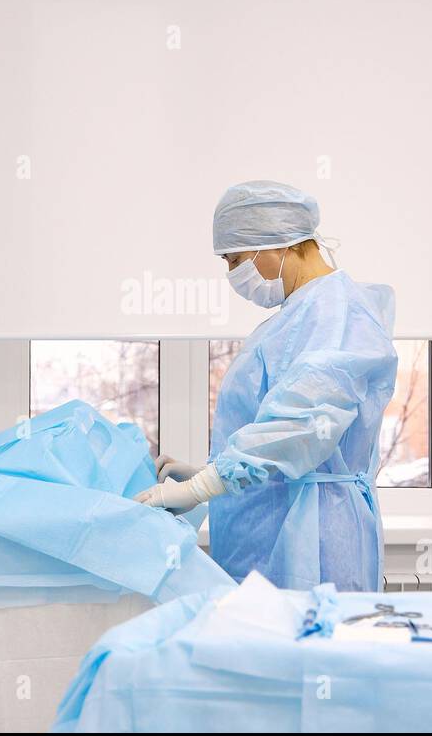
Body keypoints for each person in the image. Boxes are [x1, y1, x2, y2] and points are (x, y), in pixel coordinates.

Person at [136, 180, 398, 591]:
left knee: (303, 648)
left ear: (279, 243)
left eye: (236, 258)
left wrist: (202, 486)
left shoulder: (337, 314)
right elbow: (275, 424)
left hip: (312, 539)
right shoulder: (299, 315)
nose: (232, 274)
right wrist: (212, 471)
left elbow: (303, 428)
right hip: (277, 529)